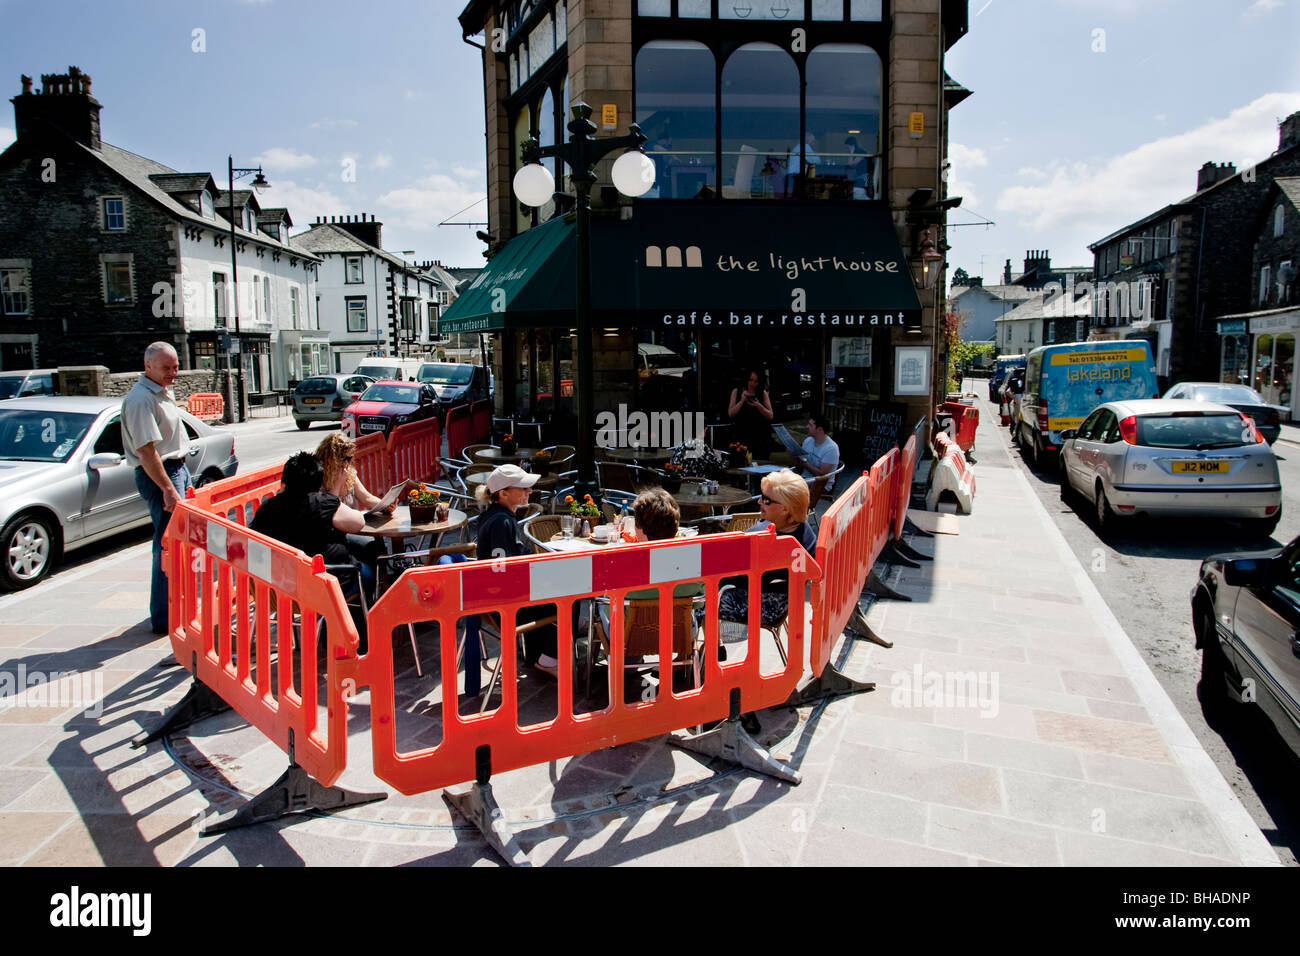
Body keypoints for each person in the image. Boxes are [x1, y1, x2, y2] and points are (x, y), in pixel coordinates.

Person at [121, 342, 191, 635]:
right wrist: (168, 488)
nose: (173, 373)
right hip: (162, 474)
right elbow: (147, 452)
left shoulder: (160, 390)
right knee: (167, 548)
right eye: (167, 368)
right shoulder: (141, 399)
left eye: (176, 366)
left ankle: (176, 608)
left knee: (178, 545)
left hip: (176, 469)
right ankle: (164, 618)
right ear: (147, 365)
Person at [475, 464, 559, 676]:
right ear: (503, 493)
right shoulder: (502, 522)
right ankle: (549, 659)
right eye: (522, 488)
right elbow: (501, 572)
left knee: (551, 590)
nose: (529, 491)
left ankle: (536, 655)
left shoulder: (495, 515)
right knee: (565, 598)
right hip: (503, 605)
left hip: (492, 599)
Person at [717, 469, 816, 629]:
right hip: (779, 601)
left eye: (766, 500)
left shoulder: (772, 542)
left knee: (698, 600)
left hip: (765, 605)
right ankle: (715, 647)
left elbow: (734, 577)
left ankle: (698, 651)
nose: (759, 502)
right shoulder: (804, 531)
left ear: (784, 509)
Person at [727, 369, 774, 458]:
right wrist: (742, 401)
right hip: (741, 435)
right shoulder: (736, 392)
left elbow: (770, 415)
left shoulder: (762, 393)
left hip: (759, 436)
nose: (753, 383)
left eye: (756, 381)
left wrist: (758, 405)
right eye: (750, 380)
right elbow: (730, 413)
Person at [795, 413, 840, 493]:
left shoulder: (831, 448)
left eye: (810, 425)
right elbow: (800, 467)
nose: (807, 427)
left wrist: (804, 462)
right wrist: (794, 456)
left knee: (784, 489)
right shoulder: (808, 441)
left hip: (819, 486)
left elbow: (821, 475)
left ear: (819, 429)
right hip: (804, 479)